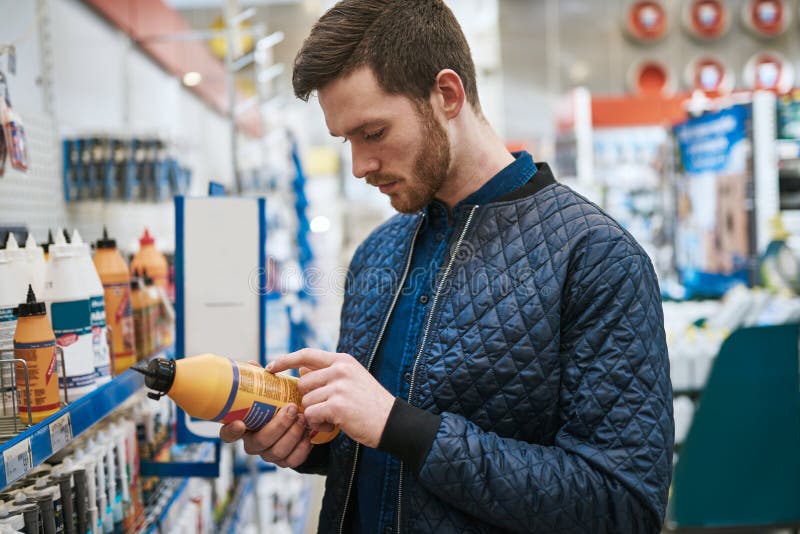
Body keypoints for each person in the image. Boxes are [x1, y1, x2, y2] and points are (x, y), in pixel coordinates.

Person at [220, 1, 674, 532]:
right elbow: (385, 452)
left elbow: (621, 505)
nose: (360, 166)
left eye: (373, 132)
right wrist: (311, 443)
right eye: (347, 141)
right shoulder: (379, 253)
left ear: (448, 95)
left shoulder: (595, 257)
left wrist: (402, 426)